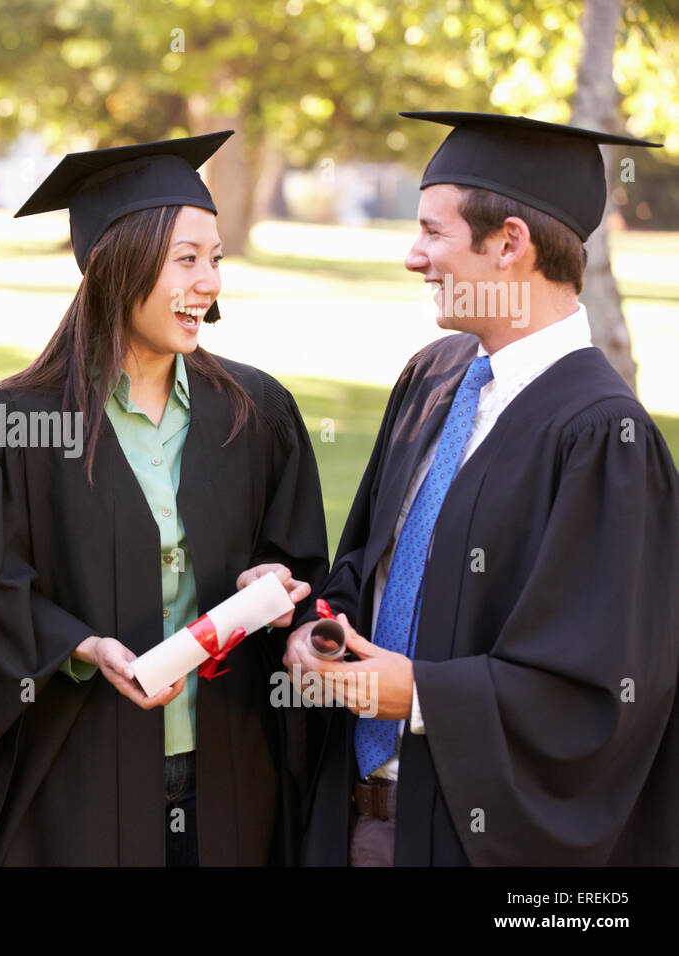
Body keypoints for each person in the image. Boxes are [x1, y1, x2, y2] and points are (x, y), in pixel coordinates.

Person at [286, 111, 679, 865]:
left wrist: (424, 698)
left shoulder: (602, 438)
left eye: (433, 233)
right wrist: (320, 626)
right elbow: (366, 558)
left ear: (508, 245)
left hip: (474, 841)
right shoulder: (433, 379)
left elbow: (603, 690)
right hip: (355, 825)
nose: (413, 257)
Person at [0, 133, 329, 866]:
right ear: (117, 264)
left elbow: (298, 555)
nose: (209, 281)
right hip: (77, 782)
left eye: (215, 258)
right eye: (187, 258)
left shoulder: (256, 411)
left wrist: (272, 582)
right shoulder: (13, 426)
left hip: (230, 774)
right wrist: (81, 647)